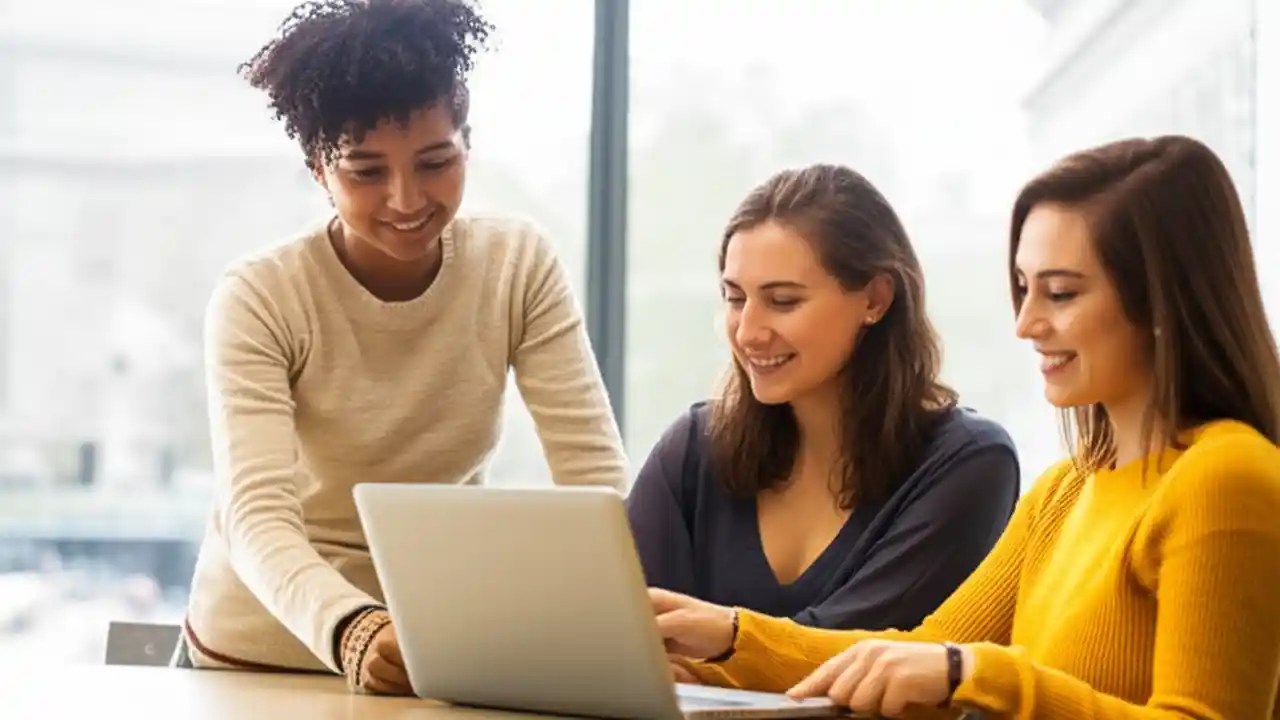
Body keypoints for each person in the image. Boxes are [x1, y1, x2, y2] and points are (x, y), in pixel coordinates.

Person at [649, 135, 1280, 719]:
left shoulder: (1226, 476)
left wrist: (983, 674)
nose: (1026, 323)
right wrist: (732, 639)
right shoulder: (1066, 492)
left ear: (1161, 301)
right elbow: (917, 652)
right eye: (1023, 288)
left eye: (1060, 294)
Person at [177, 0, 628, 695]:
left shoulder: (516, 265)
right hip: (261, 654)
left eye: (434, 161)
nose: (406, 198)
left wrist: (620, 616)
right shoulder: (261, 295)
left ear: (466, 144)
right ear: (317, 171)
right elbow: (257, 518)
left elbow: (596, 476)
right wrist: (354, 629)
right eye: (365, 171)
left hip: (434, 648)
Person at [626, 164, 1019, 634]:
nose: (748, 332)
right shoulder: (693, 450)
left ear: (874, 299)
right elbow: (628, 637)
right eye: (735, 299)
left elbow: (852, 658)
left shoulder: (970, 465)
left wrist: (719, 643)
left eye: (784, 301)